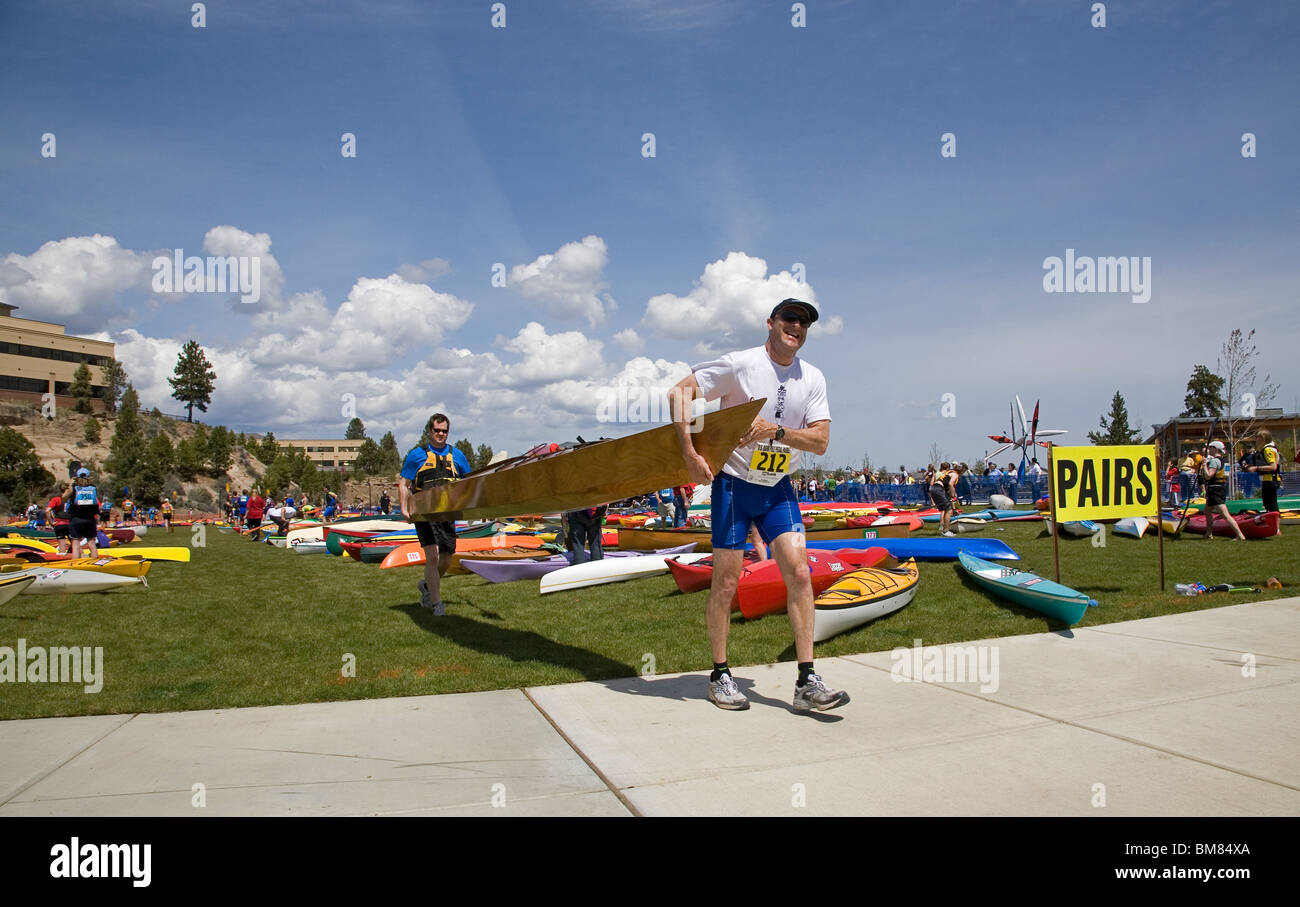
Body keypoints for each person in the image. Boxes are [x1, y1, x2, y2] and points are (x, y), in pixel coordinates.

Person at [671, 296, 846, 713]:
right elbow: (679, 394)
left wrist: (776, 432)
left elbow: (820, 442)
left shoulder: (813, 377)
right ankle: (720, 674)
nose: (797, 326)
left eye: (804, 322)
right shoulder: (740, 364)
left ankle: (806, 680)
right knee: (727, 584)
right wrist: (690, 454)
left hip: (778, 489)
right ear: (771, 323)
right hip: (733, 486)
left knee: (800, 573)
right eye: (790, 318)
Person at [399, 413, 473, 615]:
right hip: (424, 512)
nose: (440, 434)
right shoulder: (416, 455)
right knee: (432, 556)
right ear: (429, 431)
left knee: (446, 559)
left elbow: (468, 483)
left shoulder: (457, 455)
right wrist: (404, 509)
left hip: (447, 513)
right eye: (437, 430)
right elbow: (404, 484)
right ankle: (436, 603)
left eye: (444, 431)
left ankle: (427, 586)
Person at [1200, 441, 1245, 540]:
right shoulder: (1226, 461)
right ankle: (1209, 533)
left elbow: (1208, 476)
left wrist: (1204, 465)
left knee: (1225, 514)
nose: (1209, 450)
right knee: (1207, 511)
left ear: (1215, 449)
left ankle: (1240, 535)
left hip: (1215, 489)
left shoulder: (1215, 461)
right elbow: (1225, 475)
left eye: (1211, 448)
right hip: (1220, 487)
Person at [1246, 429, 1283, 533]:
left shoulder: (1268, 450)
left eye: (1257, 437)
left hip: (1271, 480)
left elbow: (1273, 466)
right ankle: (1274, 527)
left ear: (1262, 439)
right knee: (1268, 504)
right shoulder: (1267, 449)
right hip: (1267, 480)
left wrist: (1256, 468)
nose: (1256, 440)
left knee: (1272, 504)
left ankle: (1276, 529)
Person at [66, 468, 101, 559]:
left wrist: (71, 483)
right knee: (91, 543)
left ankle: (76, 565)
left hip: (76, 519)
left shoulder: (74, 488)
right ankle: (95, 562)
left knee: (76, 544)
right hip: (90, 519)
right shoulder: (93, 488)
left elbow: (64, 496)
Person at [930, 462, 959, 536]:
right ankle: (945, 531)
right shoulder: (954, 474)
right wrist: (953, 496)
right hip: (939, 489)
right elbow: (950, 485)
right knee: (948, 510)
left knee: (945, 509)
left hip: (935, 489)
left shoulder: (940, 473)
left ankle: (942, 527)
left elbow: (932, 483)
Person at [45, 484, 72, 556]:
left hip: (59, 524)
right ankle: (74, 557)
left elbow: (47, 510)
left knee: (62, 544)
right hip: (70, 524)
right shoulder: (72, 499)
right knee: (75, 543)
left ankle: (63, 557)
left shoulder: (56, 499)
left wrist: (51, 522)